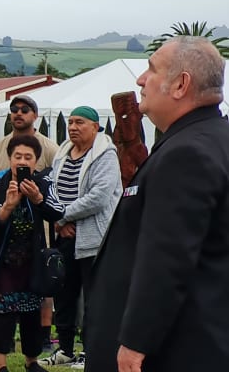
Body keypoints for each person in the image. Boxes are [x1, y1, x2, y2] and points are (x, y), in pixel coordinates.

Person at [85, 37, 229, 372]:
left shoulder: (187, 153)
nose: (140, 80)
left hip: (173, 349)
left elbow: (167, 259)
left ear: (180, 84)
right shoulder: (211, 138)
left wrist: (136, 342)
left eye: (151, 69)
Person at [0, 134, 64, 372]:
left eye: (28, 157)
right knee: (5, 310)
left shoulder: (43, 183)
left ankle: (31, 361)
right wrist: (8, 205)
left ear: (36, 161)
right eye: (17, 156)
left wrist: (38, 199)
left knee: (32, 309)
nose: (22, 161)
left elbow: (58, 211)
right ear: (9, 159)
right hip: (1, 259)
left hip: (31, 259)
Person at [40, 106, 120, 369]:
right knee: (64, 292)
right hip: (65, 235)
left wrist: (63, 216)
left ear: (95, 127)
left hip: (94, 237)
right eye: (71, 122)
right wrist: (59, 222)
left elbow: (99, 196)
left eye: (80, 122)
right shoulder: (63, 154)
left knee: (93, 297)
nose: (73, 127)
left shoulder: (105, 156)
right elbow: (52, 189)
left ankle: (90, 350)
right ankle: (64, 349)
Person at [0, 95, 59, 185]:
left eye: (25, 110)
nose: (19, 113)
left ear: (35, 116)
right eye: (14, 109)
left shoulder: (51, 149)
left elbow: (59, 185)